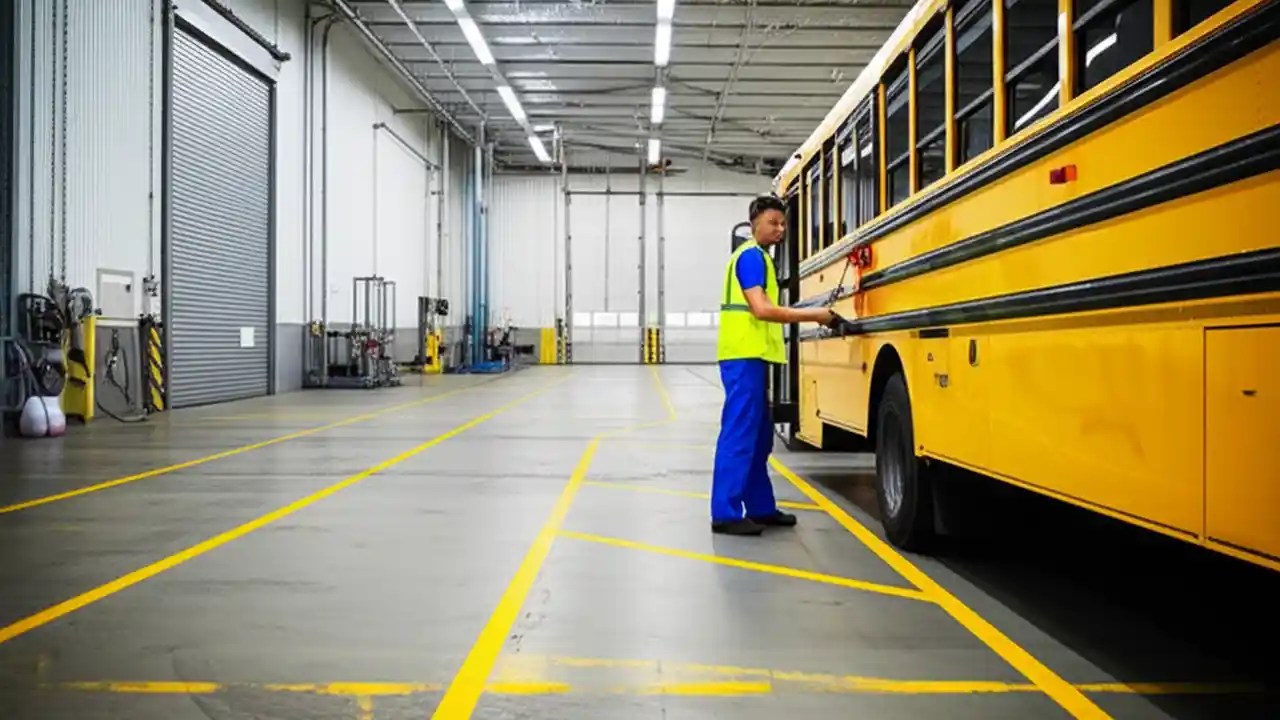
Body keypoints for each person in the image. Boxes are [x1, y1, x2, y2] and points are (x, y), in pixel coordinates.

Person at [711, 195, 835, 536]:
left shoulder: (760, 258)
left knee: (760, 435)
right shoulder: (750, 257)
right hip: (742, 357)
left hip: (754, 356)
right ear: (754, 223)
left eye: (783, 224)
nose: (779, 230)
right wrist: (815, 315)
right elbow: (762, 309)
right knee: (739, 433)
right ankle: (725, 512)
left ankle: (761, 507)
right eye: (772, 223)